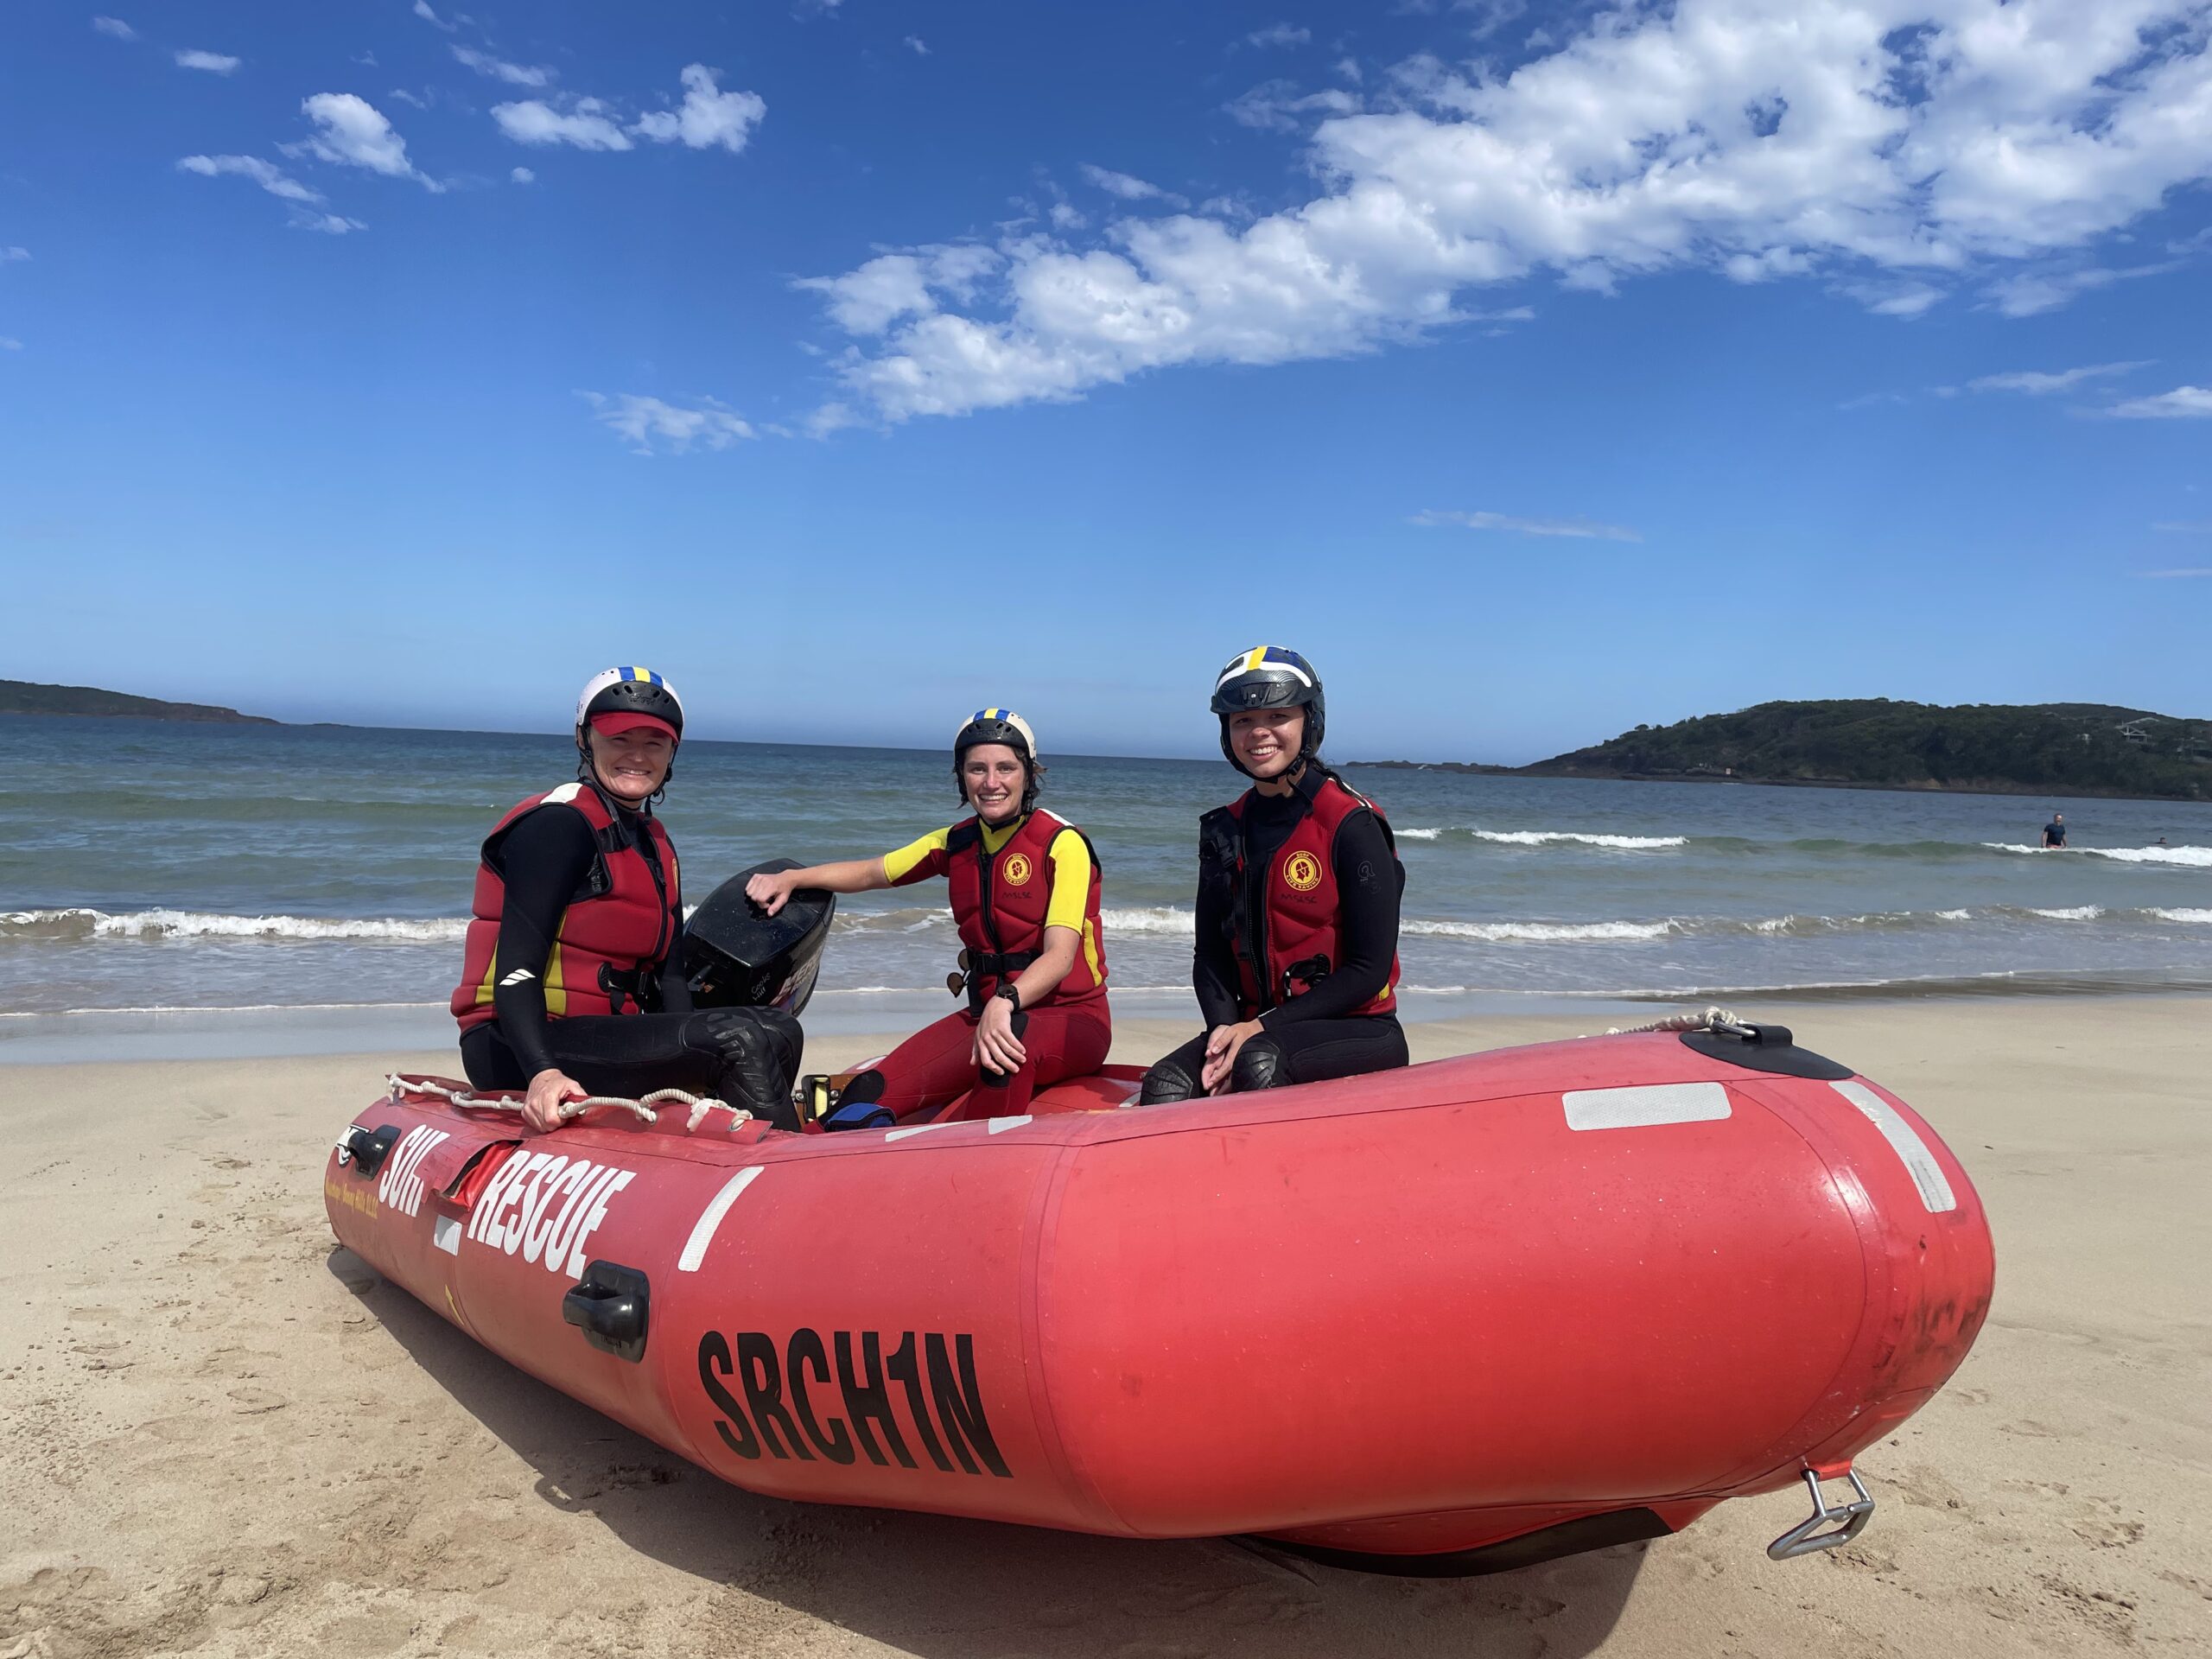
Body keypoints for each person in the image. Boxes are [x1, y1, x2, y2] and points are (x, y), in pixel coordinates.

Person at [452, 668, 803, 1131]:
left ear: (672, 752)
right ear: (585, 739)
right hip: (516, 1042)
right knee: (736, 1038)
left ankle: (729, 1151)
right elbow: (516, 968)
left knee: (778, 1029)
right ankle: (780, 1173)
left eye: (654, 743)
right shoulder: (558, 826)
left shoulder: (654, 841)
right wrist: (542, 1072)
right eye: (619, 739)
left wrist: (686, 1062)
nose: (637, 756)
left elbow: (671, 977)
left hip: (605, 1036)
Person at [747, 709, 1109, 1128]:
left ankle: (975, 1175)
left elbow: (1061, 956)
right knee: (867, 1092)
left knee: (1003, 1056)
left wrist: (1004, 1002)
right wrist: (793, 877)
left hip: (1074, 1019)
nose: (992, 783)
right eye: (977, 769)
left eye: (1006, 768)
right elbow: (873, 872)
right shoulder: (954, 843)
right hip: (987, 1014)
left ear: (1028, 774)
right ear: (962, 777)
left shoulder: (1062, 845)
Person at [1141, 647, 1408, 1103]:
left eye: (1278, 715)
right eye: (1242, 720)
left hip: (1359, 1028)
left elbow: (1369, 969)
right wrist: (1225, 1031)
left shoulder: (1351, 824)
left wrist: (1259, 1030)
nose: (1259, 732)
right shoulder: (1225, 828)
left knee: (1259, 1063)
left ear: (1308, 722)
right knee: (1167, 1084)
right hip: (1255, 1027)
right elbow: (1210, 953)